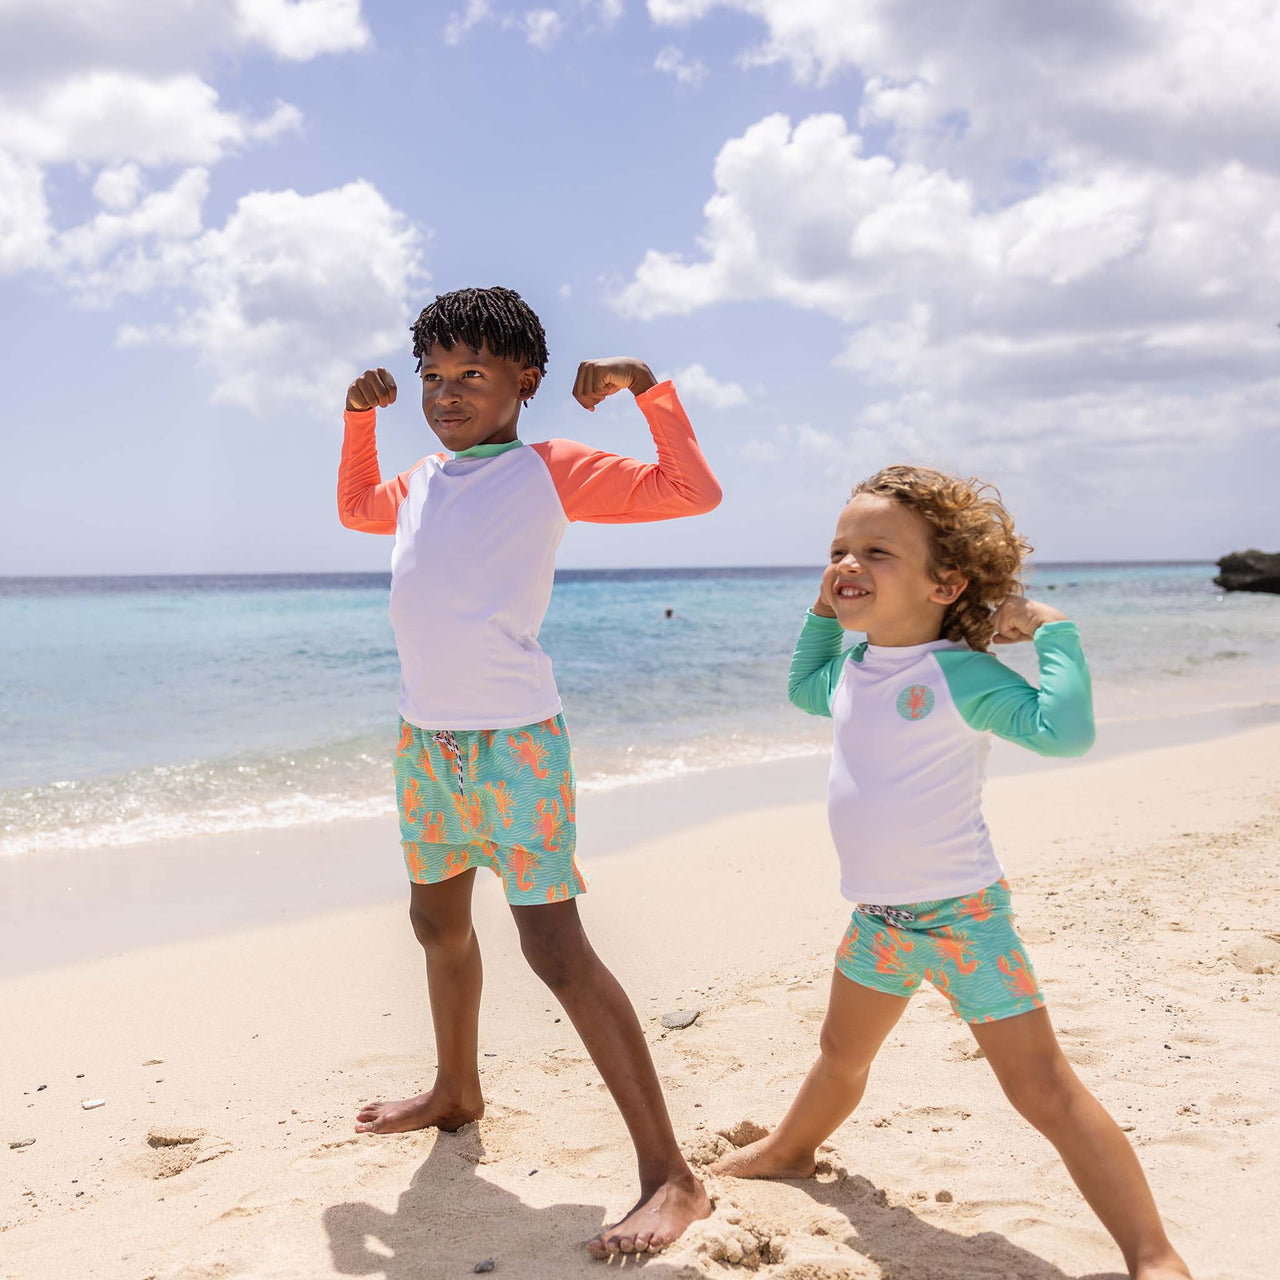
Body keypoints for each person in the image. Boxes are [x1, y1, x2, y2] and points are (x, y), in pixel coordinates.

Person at [712, 465, 1190, 1280]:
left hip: (963, 922)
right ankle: (792, 1149)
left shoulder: (960, 675)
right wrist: (820, 614)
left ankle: (1152, 1254)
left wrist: (1052, 628)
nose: (847, 564)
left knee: (1042, 1089)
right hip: (878, 924)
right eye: (838, 549)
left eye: (876, 551)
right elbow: (802, 687)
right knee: (839, 1056)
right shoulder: (853, 671)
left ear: (947, 582)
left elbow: (1062, 733)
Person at [337, 286, 720, 1257]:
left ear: (525, 382)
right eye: (432, 374)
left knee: (553, 947)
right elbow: (353, 509)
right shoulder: (419, 478)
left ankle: (671, 1172)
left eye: (471, 372)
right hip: (427, 744)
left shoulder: (550, 470)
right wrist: (358, 419)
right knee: (435, 922)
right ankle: (456, 1087)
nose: (446, 392)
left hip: (514, 746)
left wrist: (646, 389)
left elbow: (690, 492)